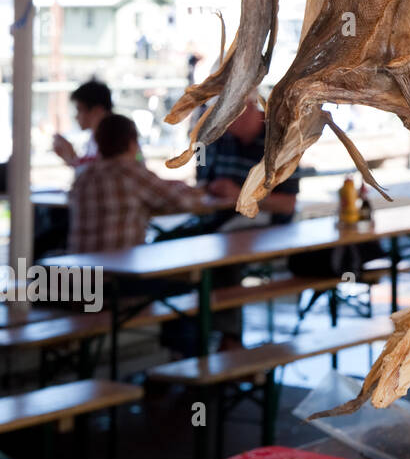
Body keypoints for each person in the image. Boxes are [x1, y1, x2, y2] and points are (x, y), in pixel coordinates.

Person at [188, 97, 299, 350]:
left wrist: (239, 193)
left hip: (269, 226)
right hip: (220, 220)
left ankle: (228, 342)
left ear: (246, 107)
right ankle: (187, 346)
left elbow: (287, 204)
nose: (220, 123)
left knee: (221, 256)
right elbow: (203, 181)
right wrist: (209, 189)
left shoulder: (279, 139)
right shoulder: (217, 140)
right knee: (178, 252)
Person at [67, 114, 200, 253]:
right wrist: (195, 191)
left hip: (80, 270)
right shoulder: (133, 173)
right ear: (132, 143)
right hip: (121, 268)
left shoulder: (83, 177)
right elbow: (182, 202)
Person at [53, 79, 113, 171]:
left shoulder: (114, 138)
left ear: (97, 111)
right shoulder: (97, 135)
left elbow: (100, 177)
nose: (76, 117)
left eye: (79, 110)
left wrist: (71, 158)